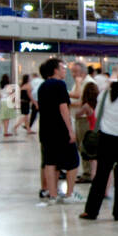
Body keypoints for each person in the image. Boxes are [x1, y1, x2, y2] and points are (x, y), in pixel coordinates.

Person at [80, 69, 118, 221]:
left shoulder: (104, 94)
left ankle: (91, 211)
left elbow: (97, 114)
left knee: (101, 176)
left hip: (105, 139)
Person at [35, 57, 81, 203]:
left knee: (50, 162)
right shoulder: (60, 85)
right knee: (73, 161)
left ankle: (52, 194)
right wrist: (70, 130)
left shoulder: (43, 86)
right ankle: (70, 194)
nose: (65, 70)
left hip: (46, 129)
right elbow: (63, 109)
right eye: (62, 68)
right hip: (60, 129)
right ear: (55, 70)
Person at [74, 81, 100, 183]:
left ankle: (90, 175)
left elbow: (77, 115)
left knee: (88, 154)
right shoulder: (98, 103)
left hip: (90, 130)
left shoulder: (86, 106)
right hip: (99, 130)